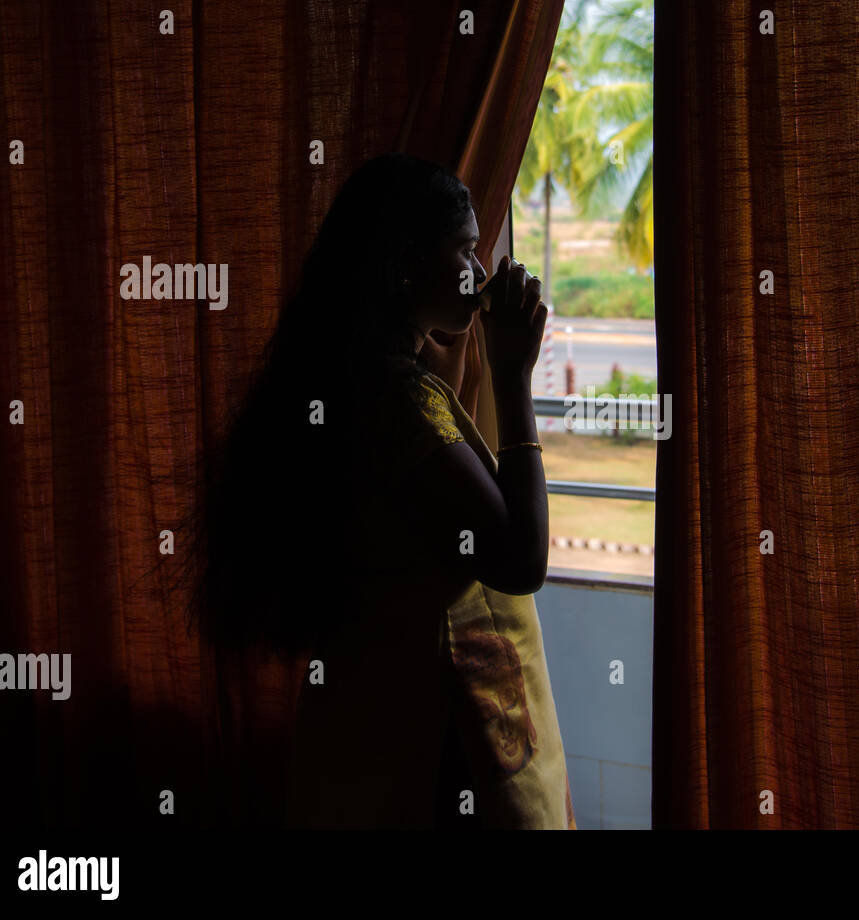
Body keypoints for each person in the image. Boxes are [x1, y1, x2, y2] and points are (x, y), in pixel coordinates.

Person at [189, 152, 576, 828]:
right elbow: (521, 560)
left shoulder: (362, 384)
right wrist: (513, 377)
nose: (480, 274)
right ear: (404, 266)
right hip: (431, 744)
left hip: (373, 730)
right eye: (464, 251)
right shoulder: (395, 402)